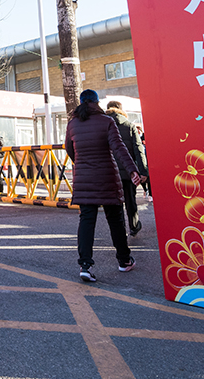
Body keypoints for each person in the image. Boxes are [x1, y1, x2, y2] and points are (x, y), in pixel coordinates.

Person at [65, 89, 140, 282]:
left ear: (81, 103)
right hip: (107, 177)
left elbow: (69, 150)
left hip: (83, 179)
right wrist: (132, 170)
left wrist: (82, 163)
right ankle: (124, 261)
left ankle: (85, 266)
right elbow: (119, 148)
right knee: (115, 220)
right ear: (97, 103)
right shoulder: (107, 122)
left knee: (86, 221)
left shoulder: (73, 124)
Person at [106, 100, 149, 235]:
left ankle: (120, 230)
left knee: (115, 203)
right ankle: (134, 226)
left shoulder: (103, 125)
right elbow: (138, 150)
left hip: (110, 171)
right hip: (128, 171)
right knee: (131, 200)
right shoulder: (129, 125)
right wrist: (143, 171)